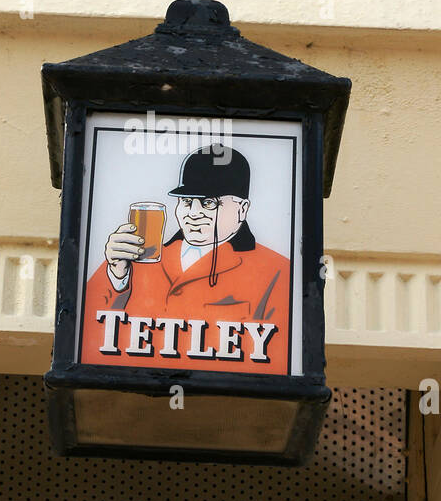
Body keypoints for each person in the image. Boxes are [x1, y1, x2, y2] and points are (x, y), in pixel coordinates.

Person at [81, 145, 292, 371]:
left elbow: (275, 363)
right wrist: (116, 276)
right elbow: (85, 330)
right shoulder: (139, 257)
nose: (193, 213)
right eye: (187, 201)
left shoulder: (277, 270)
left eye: (209, 203)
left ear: (242, 209)